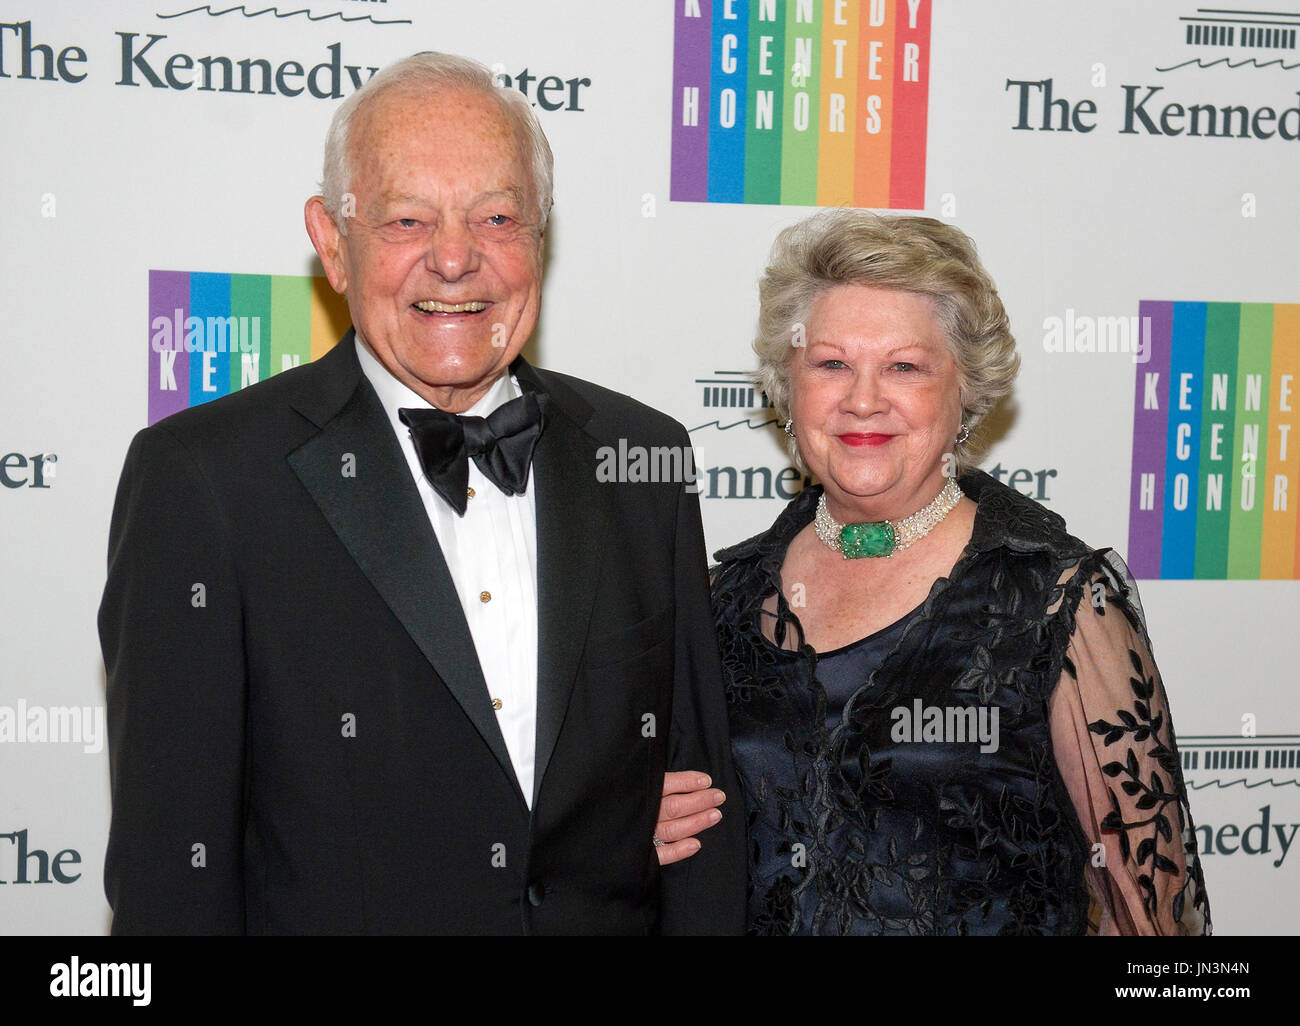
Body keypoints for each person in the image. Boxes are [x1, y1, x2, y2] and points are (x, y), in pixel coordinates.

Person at [99, 52, 743, 934]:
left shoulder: (644, 458)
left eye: (497, 216)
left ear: (540, 239)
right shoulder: (205, 481)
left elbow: (701, 822)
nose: (454, 258)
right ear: (332, 242)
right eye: (407, 219)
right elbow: (174, 873)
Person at [708, 210, 1211, 935]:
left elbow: (1149, 918)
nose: (862, 400)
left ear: (965, 393)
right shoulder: (726, 596)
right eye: (831, 364)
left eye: (905, 366)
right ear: (787, 387)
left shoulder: (1054, 602)